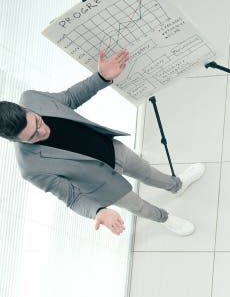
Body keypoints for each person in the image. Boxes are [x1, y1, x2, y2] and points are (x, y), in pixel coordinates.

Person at [0, 49, 205, 236]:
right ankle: (164, 218)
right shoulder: (30, 168)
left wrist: (101, 77)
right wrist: (98, 212)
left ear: (24, 108)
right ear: (14, 140)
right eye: (33, 137)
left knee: (147, 171)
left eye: (38, 122)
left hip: (110, 148)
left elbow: (70, 98)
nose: (44, 131)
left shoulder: (32, 98)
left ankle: (176, 186)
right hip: (102, 186)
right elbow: (71, 197)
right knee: (139, 206)